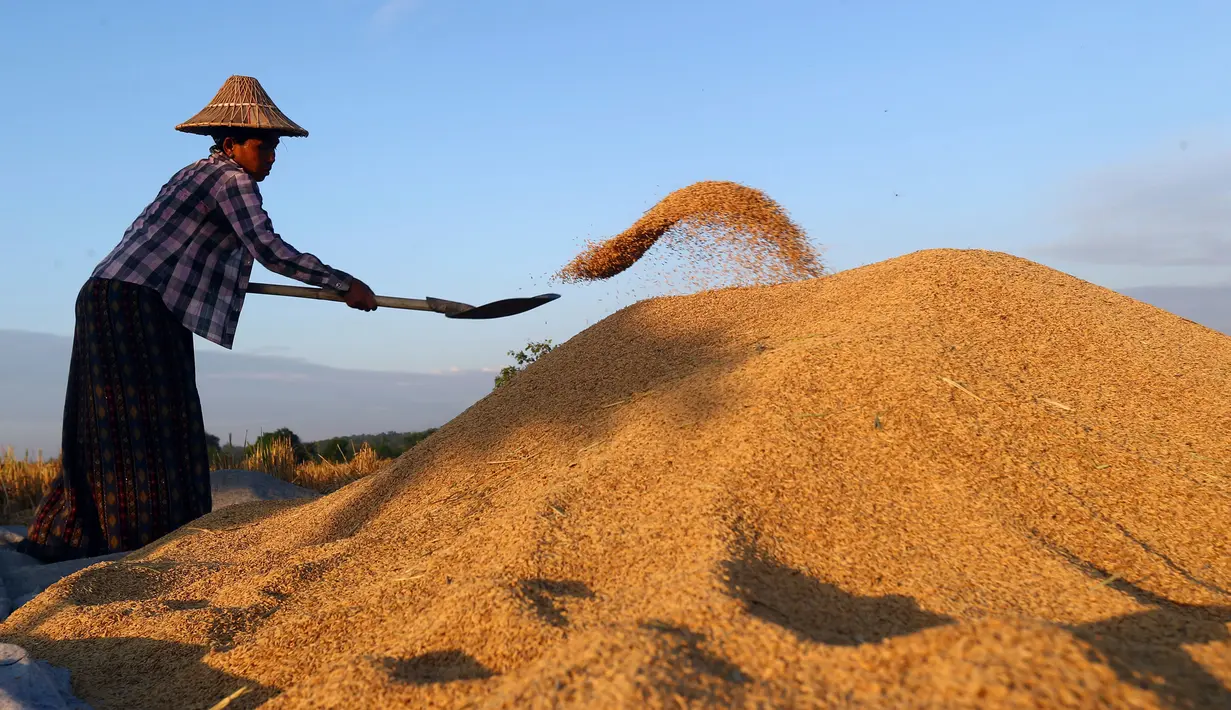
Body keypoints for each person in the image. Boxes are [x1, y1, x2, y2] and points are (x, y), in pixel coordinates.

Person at [17, 75, 378, 563]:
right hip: (136, 304)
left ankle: (94, 535)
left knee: (118, 425)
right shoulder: (233, 179)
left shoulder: (192, 173)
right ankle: (143, 541)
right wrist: (342, 283)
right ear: (231, 144)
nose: (271, 156)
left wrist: (214, 274)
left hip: (110, 296)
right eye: (263, 145)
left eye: (274, 147)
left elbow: (151, 238)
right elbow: (269, 250)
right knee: (152, 423)